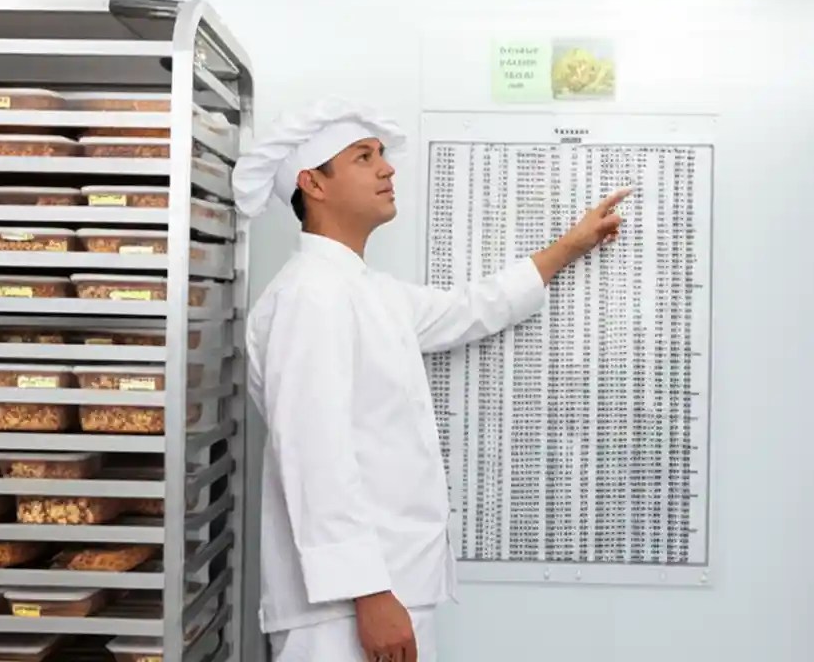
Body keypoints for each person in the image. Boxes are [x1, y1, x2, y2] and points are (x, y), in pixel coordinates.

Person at [233, 98, 630, 662]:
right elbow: (313, 455)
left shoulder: (365, 291)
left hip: (385, 591)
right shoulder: (309, 297)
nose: (387, 168)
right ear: (313, 184)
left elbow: (470, 308)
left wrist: (571, 246)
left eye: (382, 155)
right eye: (363, 157)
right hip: (344, 608)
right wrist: (369, 593)